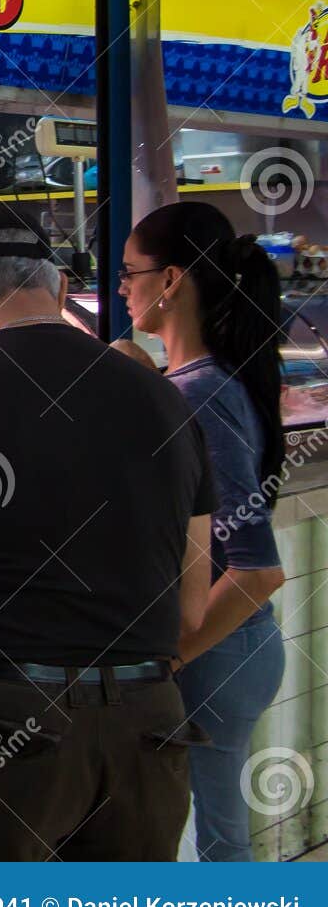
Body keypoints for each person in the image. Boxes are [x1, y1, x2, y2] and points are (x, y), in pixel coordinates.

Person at [0, 204, 215, 861]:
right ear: (58, 289)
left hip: (0, 730)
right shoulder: (166, 398)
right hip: (147, 730)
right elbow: (191, 606)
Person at [115, 201, 287, 862]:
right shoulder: (196, 383)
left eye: (131, 273)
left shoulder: (203, 395)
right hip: (232, 646)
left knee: (218, 846)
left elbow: (257, 568)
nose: (122, 287)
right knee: (206, 838)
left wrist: (170, 661)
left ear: (171, 281)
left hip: (221, 649)